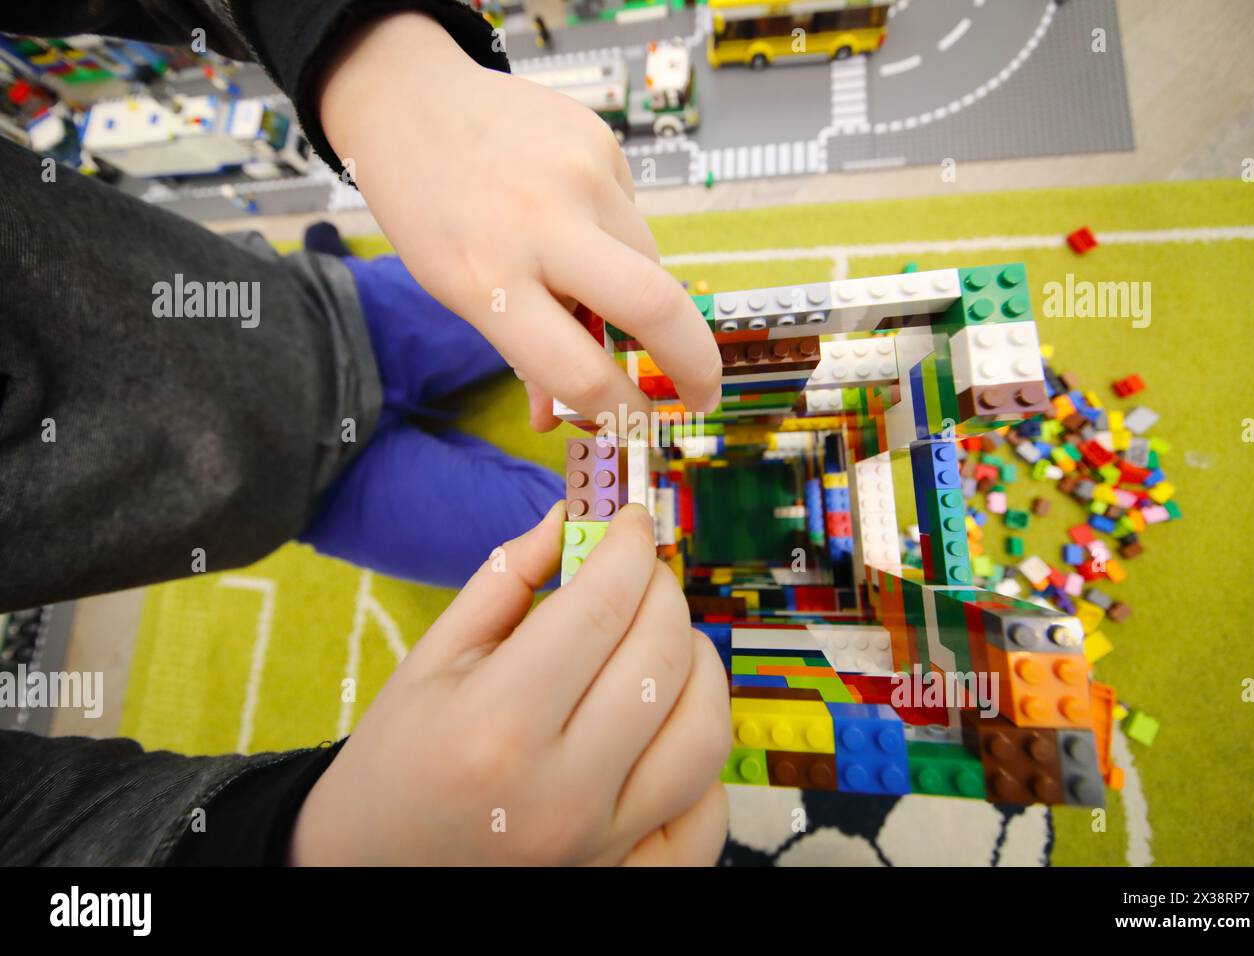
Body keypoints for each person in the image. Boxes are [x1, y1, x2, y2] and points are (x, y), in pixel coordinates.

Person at [0, 1, 728, 865]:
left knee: (605, 311)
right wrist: (306, 844)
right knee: (607, 553)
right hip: (314, 494)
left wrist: (372, 55)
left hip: (330, 309)